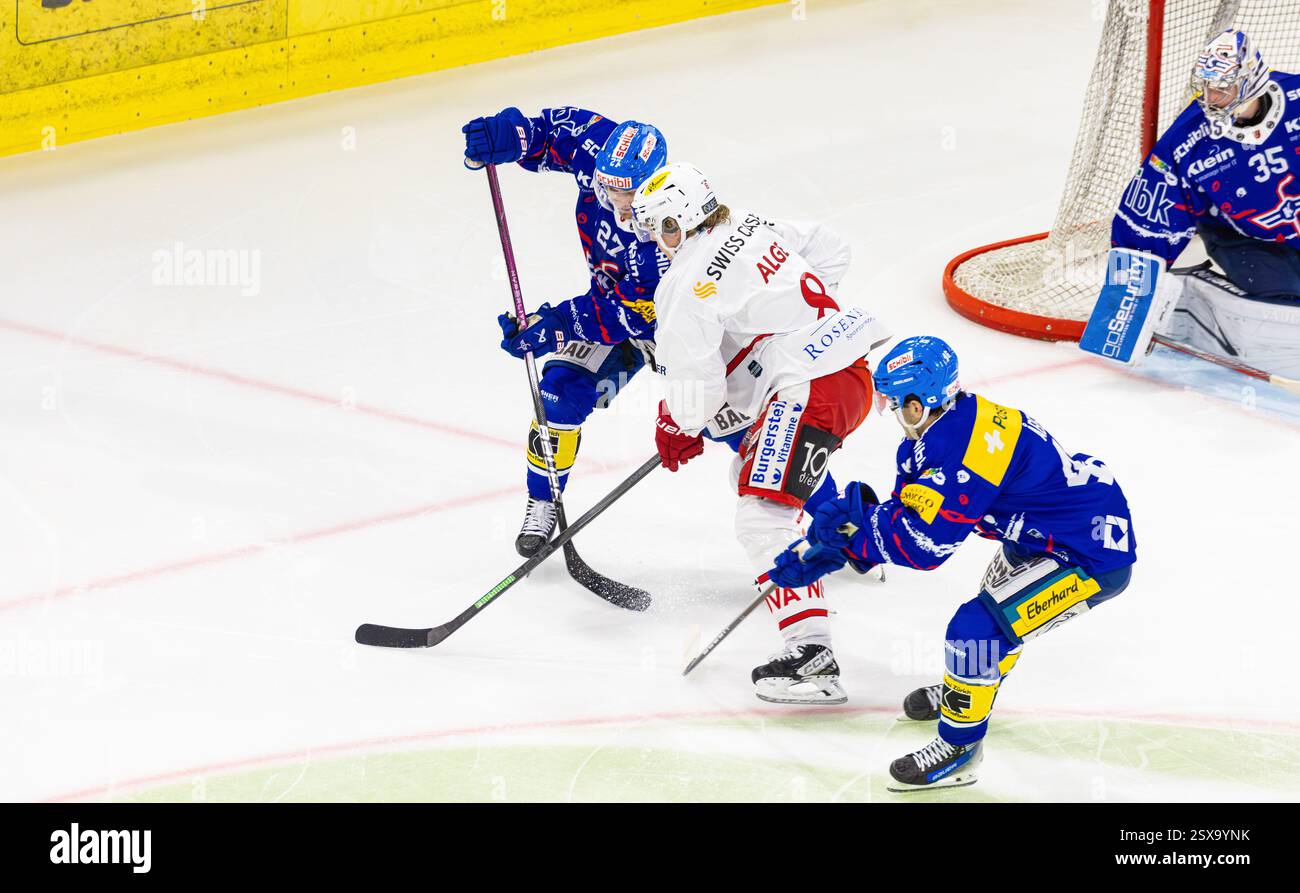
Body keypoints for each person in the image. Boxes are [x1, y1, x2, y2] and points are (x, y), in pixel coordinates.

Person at [769, 336, 1136, 789]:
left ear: (921, 401)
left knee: (976, 630)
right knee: (995, 624)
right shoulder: (941, 430)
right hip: (1041, 536)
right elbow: (908, 511)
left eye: (895, 402)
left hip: (1089, 556)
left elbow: (927, 546)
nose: (889, 411)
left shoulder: (971, 451)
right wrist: (838, 545)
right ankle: (969, 690)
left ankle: (960, 750)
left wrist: (852, 542)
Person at [632, 163, 890, 704]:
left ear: (677, 223)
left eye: (659, 228)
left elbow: (696, 388)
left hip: (807, 389)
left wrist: (675, 423)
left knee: (761, 514)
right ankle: (853, 538)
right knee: (747, 472)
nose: (658, 241)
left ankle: (811, 654)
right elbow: (831, 246)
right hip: (851, 373)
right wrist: (791, 324)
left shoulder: (683, 285)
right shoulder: (750, 225)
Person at [462, 107, 696, 555]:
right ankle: (542, 499)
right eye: (605, 184)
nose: (610, 197)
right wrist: (513, 136)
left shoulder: (671, 230)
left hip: (679, 332)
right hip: (607, 307)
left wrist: (555, 326)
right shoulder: (606, 159)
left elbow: (627, 318)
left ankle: (833, 519)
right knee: (559, 394)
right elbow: (554, 132)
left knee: (741, 425)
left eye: (623, 192)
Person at [1098, 28, 1300, 375]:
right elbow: (1148, 218)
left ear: (1251, 79)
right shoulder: (1188, 141)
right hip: (1242, 236)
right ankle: (1193, 300)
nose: (1212, 96)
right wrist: (1126, 310)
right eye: (1206, 86)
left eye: (1223, 87)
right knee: (1289, 297)